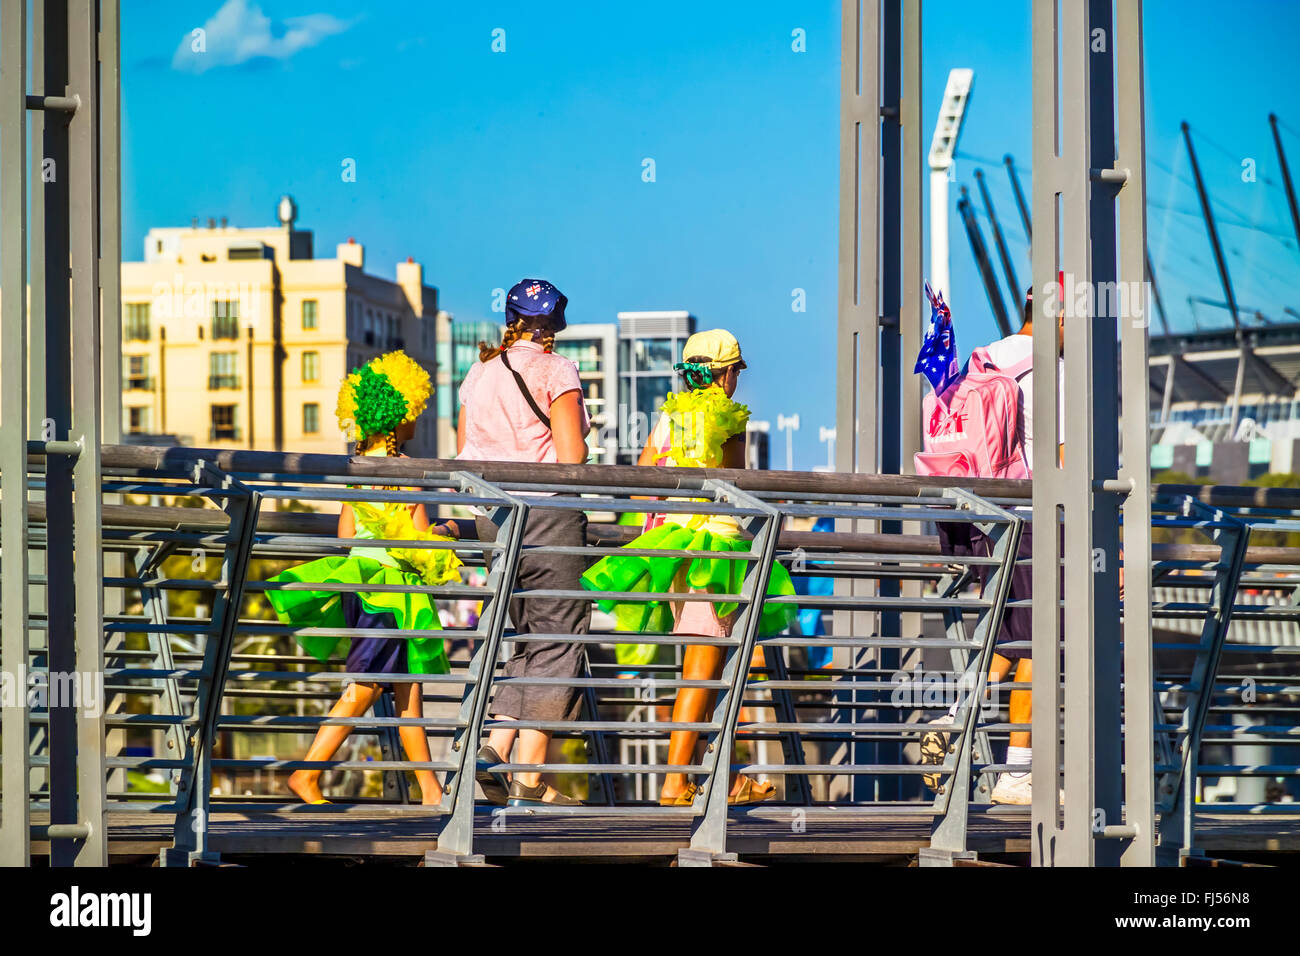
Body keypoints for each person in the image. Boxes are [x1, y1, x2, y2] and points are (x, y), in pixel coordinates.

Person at [581, 329, 798, 806]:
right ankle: (677, 782)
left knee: (710, 668)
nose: (737, 379)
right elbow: (737, 486)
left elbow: (641, 486)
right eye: (736, 371)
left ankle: (727, 775)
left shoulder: (670, 418)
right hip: (716, 553)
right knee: (703, 671)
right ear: (724, 374)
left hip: (676, 551)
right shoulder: (731, 418)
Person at [266, 351, 462, 806]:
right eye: (415, 413)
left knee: (407, 695)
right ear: (399, 418)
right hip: (393, 594)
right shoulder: (407, 474)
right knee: (367, 686)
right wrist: (446, 532)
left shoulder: (356, 471)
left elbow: (345, 535)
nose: (419, 420)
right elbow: (420, 541)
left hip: (362, 587)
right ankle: (307, 774)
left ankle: (431, 791)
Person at [437, 278, 593, 807]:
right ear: (552, 329)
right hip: (548, 511)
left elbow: (464, 455)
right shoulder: (556, 370)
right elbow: (571, 458)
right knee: (560, 632)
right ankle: (529, 775)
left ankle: (496, 751)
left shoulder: (478, 373)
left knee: (527, 635)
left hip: (493, 519)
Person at [921, 283, 1064, 806]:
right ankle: (1017, 771)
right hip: (1033, 520)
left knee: (1007, 640)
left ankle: (954, 715)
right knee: (1040, 645)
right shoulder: (1051, 368)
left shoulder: (985, 358)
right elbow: (1064, 458)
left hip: (983, 523)